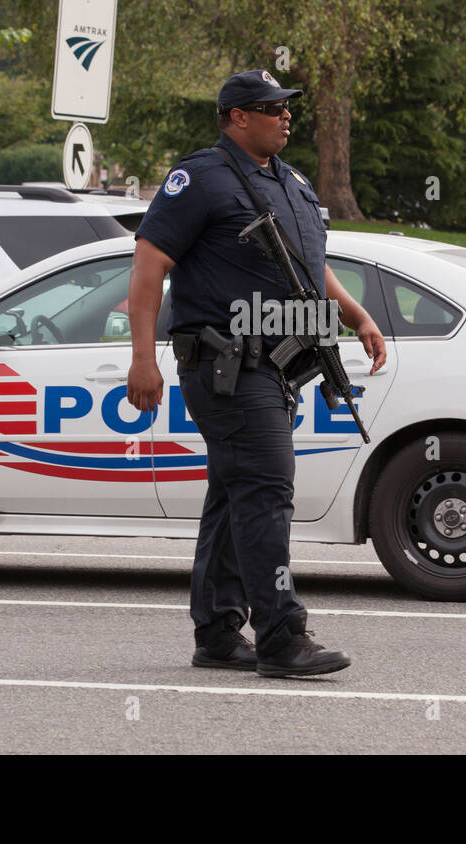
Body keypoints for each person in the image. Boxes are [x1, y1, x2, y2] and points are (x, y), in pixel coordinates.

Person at [127, 69, 386, 678]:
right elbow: (147, 266)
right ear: (236, 116)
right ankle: (280, 636)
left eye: (287, 107)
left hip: (278, 365)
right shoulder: (200, 179)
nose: (286, 116)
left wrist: (355, 314)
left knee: (234, 495)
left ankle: (218, 633)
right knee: (267, 493)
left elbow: (307, 263)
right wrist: (142, 357)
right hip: (226, 367)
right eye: (272, 108)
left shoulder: (289, 180)